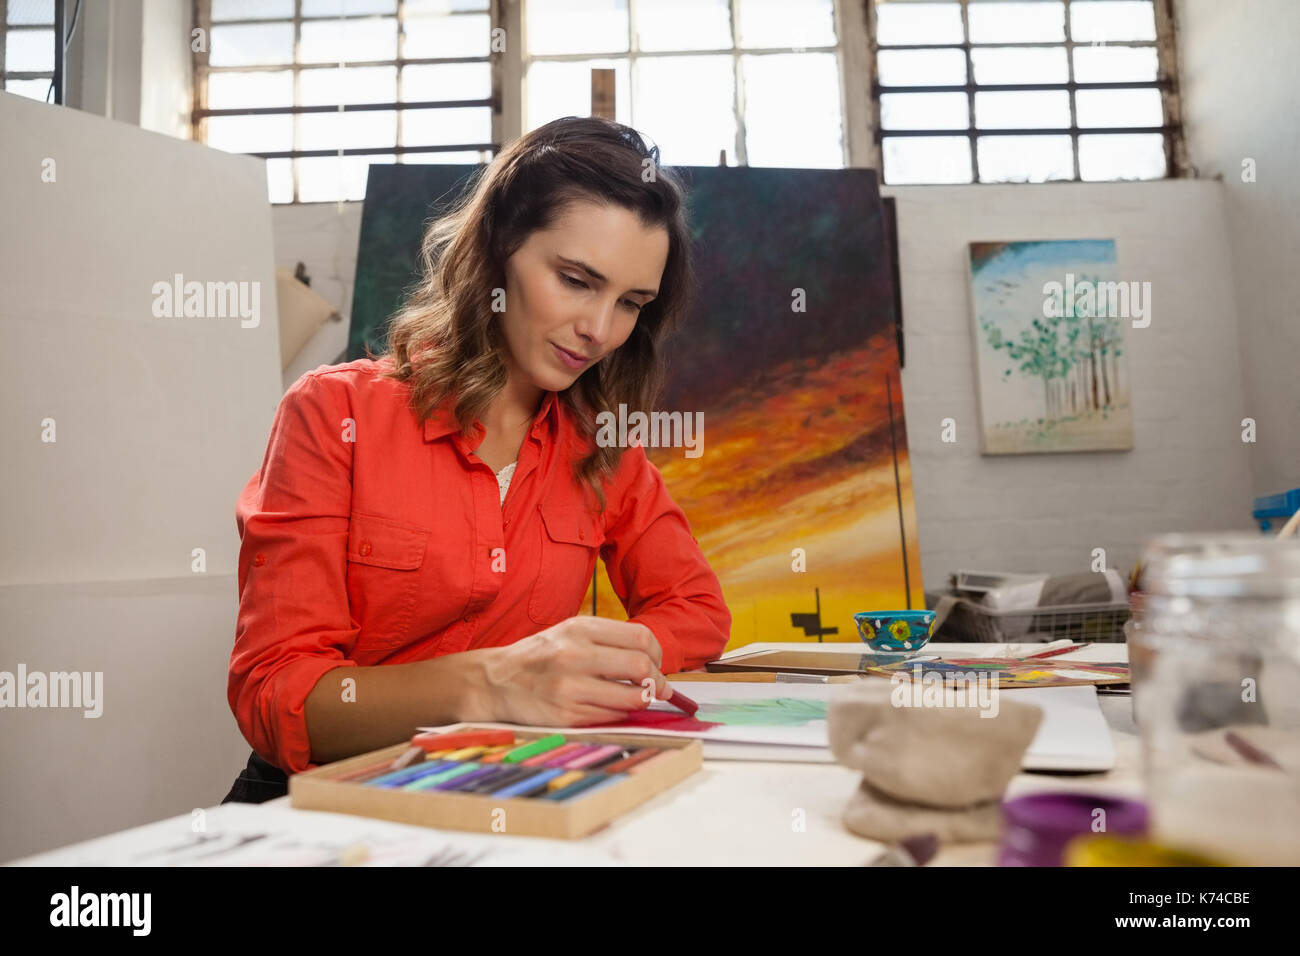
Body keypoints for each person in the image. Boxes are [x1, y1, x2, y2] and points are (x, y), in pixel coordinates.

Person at [222, 116, 731, 803]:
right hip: (319, 799)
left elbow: (695, 607)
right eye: (576, 279)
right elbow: (275, 690)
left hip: (499, 788)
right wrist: (496, 683)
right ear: (495, 251)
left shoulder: (603, 447)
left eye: (631, 303)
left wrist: (597, 665)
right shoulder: (333, 415)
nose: (601, 329)